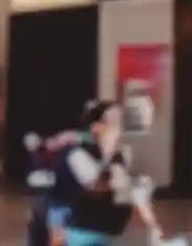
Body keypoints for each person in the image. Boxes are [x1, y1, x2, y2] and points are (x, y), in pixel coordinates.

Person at [62, 101, 169, 246]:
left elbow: (125, 193)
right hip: (86, 232)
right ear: (96, 127)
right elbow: (97, 187)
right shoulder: (79, 153)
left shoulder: (122, 154)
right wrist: (111, 154)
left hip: (114, 231)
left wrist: (151, 223)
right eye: (113, 123)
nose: (119, 129)